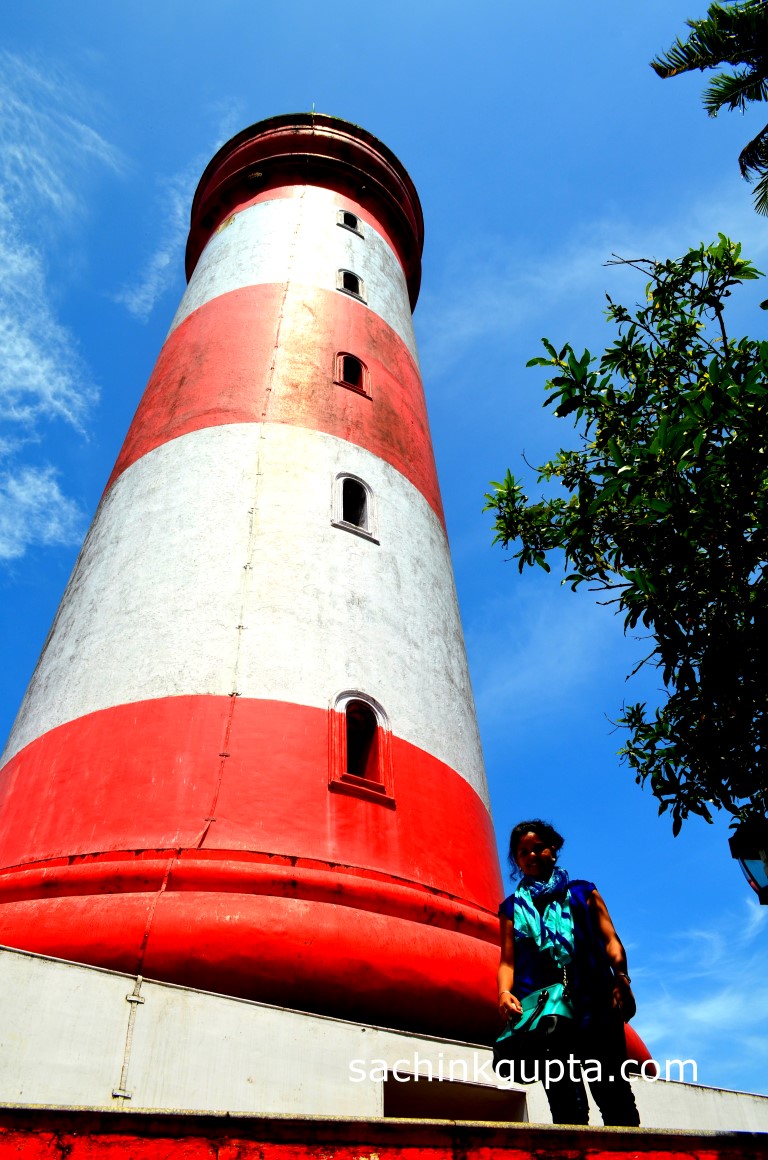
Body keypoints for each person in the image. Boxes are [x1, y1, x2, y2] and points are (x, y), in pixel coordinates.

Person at [497, 819, 640, 1126]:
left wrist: (622, 978)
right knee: (565, 1104)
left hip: (595, 1003)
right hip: (544, 1014)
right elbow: (507, 961)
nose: (531, 855)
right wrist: (504, 993)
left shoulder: (583, 892)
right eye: (523, 852)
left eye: (538, 848)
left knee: (613, 1093)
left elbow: (611, 939)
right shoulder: (510, 908)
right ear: (516, 860)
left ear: (554, 850)